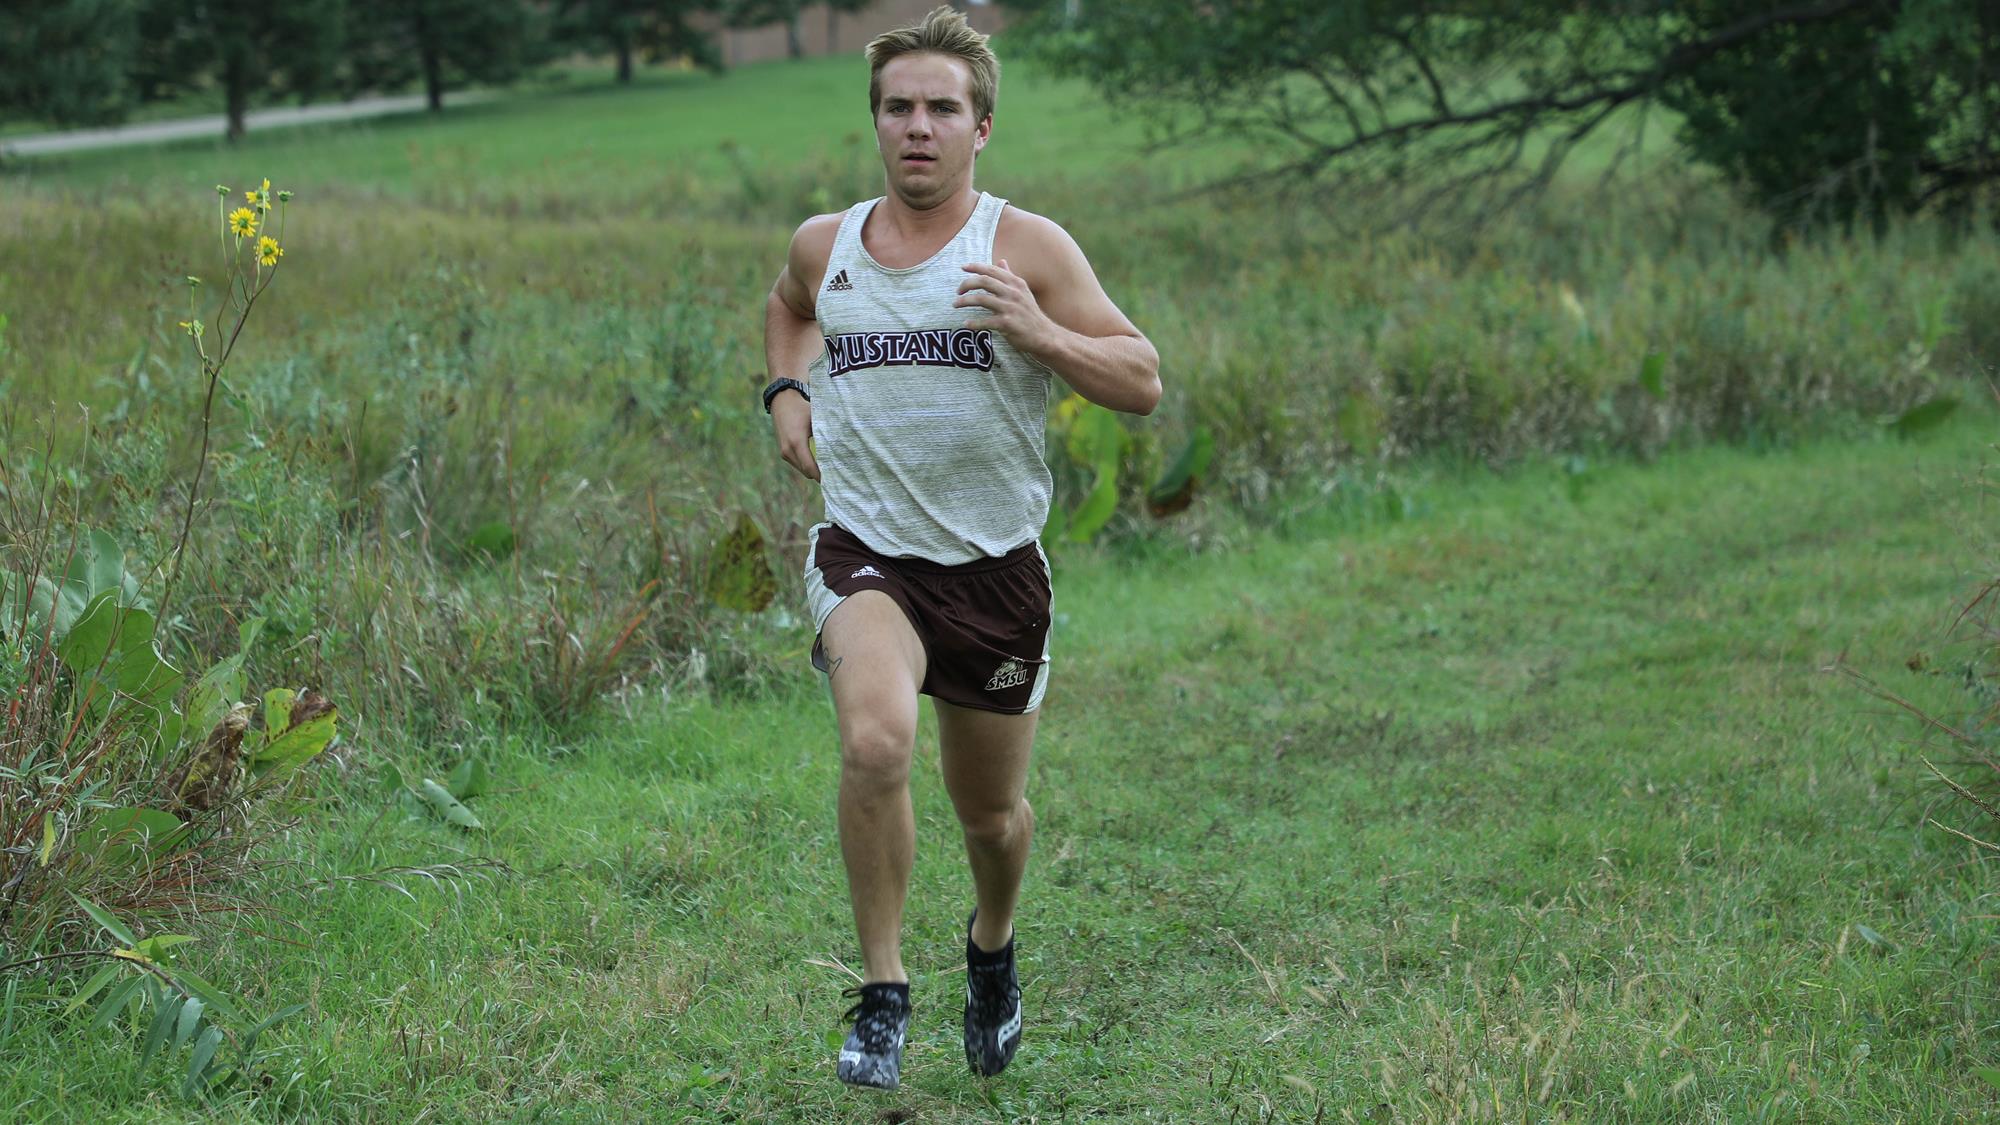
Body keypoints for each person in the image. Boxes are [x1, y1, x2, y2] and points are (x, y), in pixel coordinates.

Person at [760, 5, 1160, 1091]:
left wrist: (1035, 330)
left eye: (942, 108)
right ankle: (883, 994)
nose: (917, 127)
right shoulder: (825, 244)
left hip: (992, 572)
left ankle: (990, 945)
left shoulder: (1022, 247)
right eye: (898, 108)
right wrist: (788, 391)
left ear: (982, 126)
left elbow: (1140, 379)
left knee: (989, 815)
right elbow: (790, 305)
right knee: (875, 744)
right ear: (876, 122)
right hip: (865, 553)